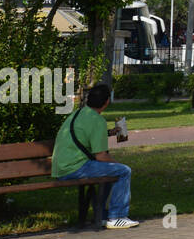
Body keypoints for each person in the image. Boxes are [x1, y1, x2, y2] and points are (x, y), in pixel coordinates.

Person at [51, 83, 139, 230]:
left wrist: (108, 133)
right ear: (106, 102)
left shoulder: (78, 113)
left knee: (110, 171)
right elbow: (101, 157)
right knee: (123, 171)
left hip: (60, 167)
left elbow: (83, 133)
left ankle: (102, 215)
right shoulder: (98, 121)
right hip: (75, 168)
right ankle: (117, 216)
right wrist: (117, 164)